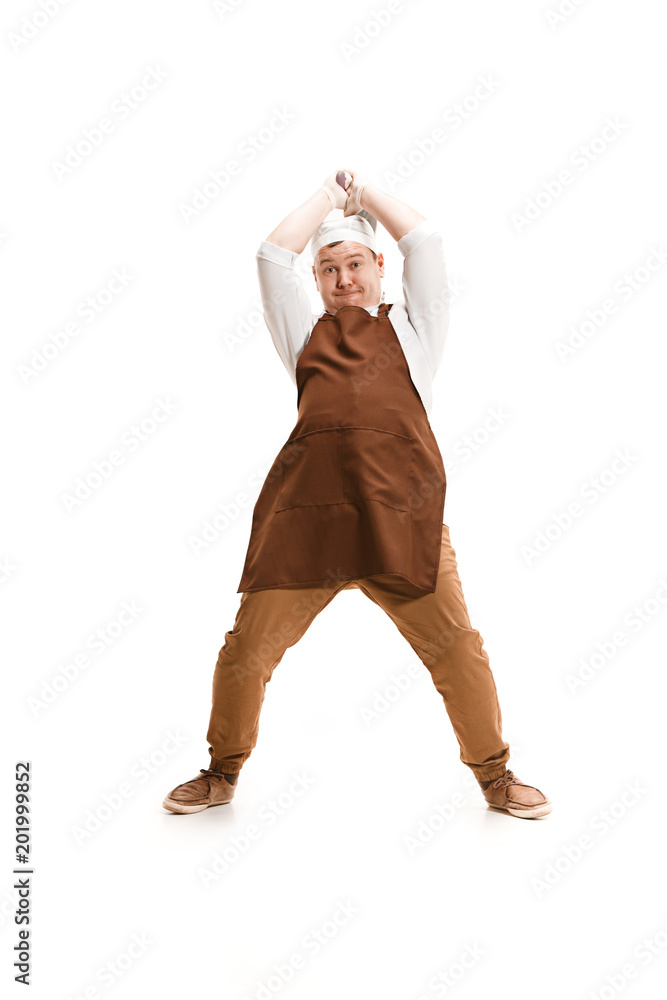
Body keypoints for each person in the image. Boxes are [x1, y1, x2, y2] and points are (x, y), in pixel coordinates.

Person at [162, 168, 551, 820]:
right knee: (245, 651)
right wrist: (323, 200)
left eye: (354, 265)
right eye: (328, 270)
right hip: (306, 523)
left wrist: (362, 194)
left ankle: (495, 778)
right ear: (315, 282)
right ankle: (221, 772)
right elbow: (269, 256)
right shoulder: (301, 335)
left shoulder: (416, 331)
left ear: (378, 266)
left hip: (400, 523)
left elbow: (423, 241)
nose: (343, 280)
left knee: (456, 648)